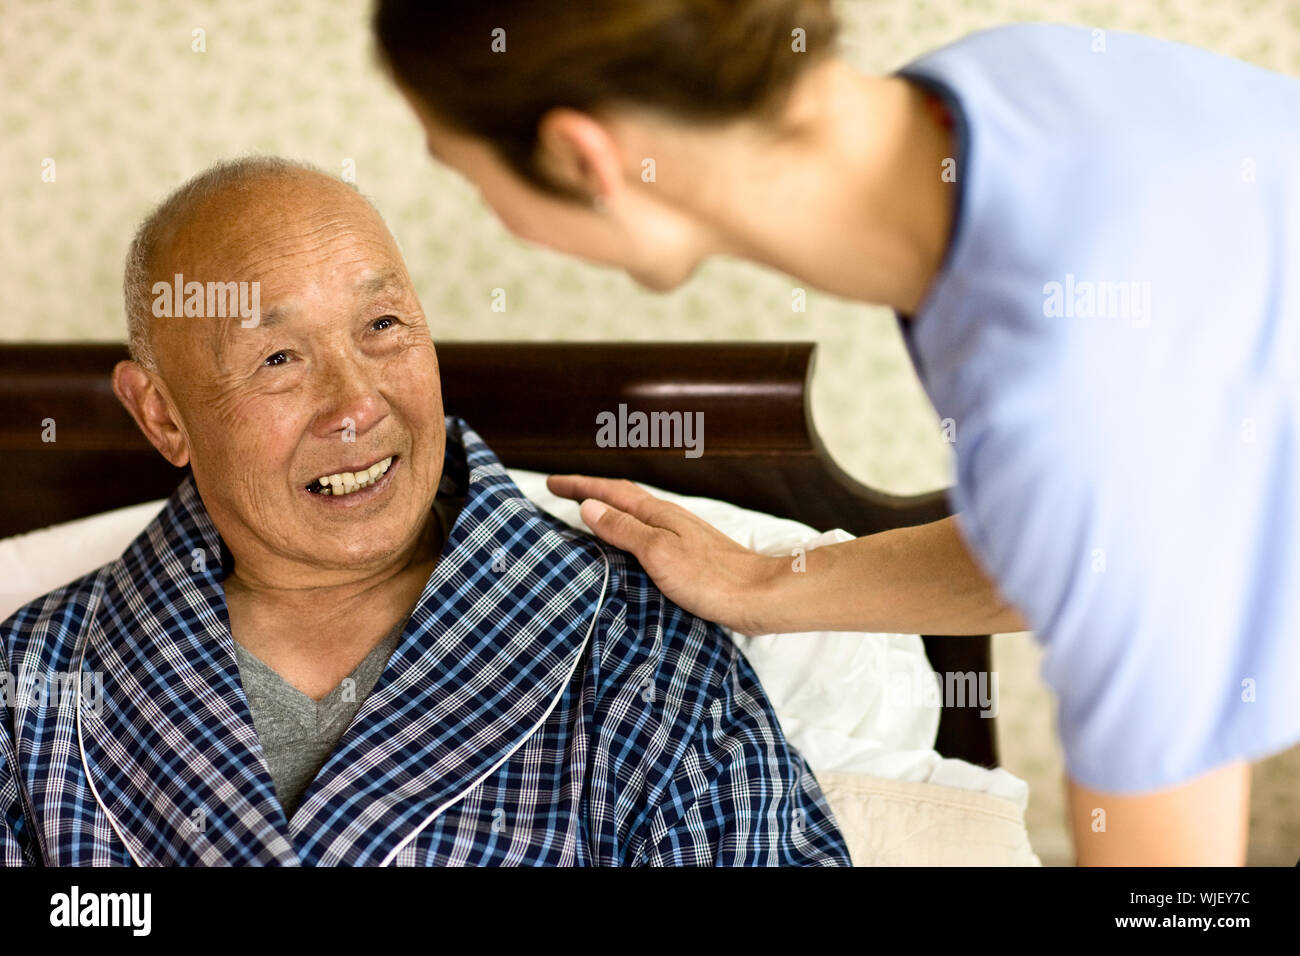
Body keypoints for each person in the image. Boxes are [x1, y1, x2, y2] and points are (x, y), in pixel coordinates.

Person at [374, 1, 1300, 864]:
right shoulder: (1003, 96)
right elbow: (1093, 552)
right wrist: (766, 583)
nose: (496, 222)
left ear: (584, 158)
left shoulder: (1066, 374)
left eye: (464, 174)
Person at [0, 157, 848, 866]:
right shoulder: (30, 690)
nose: (355, 405)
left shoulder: (631, 642)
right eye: (279, 357)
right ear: (161, 415)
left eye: (382, 323)